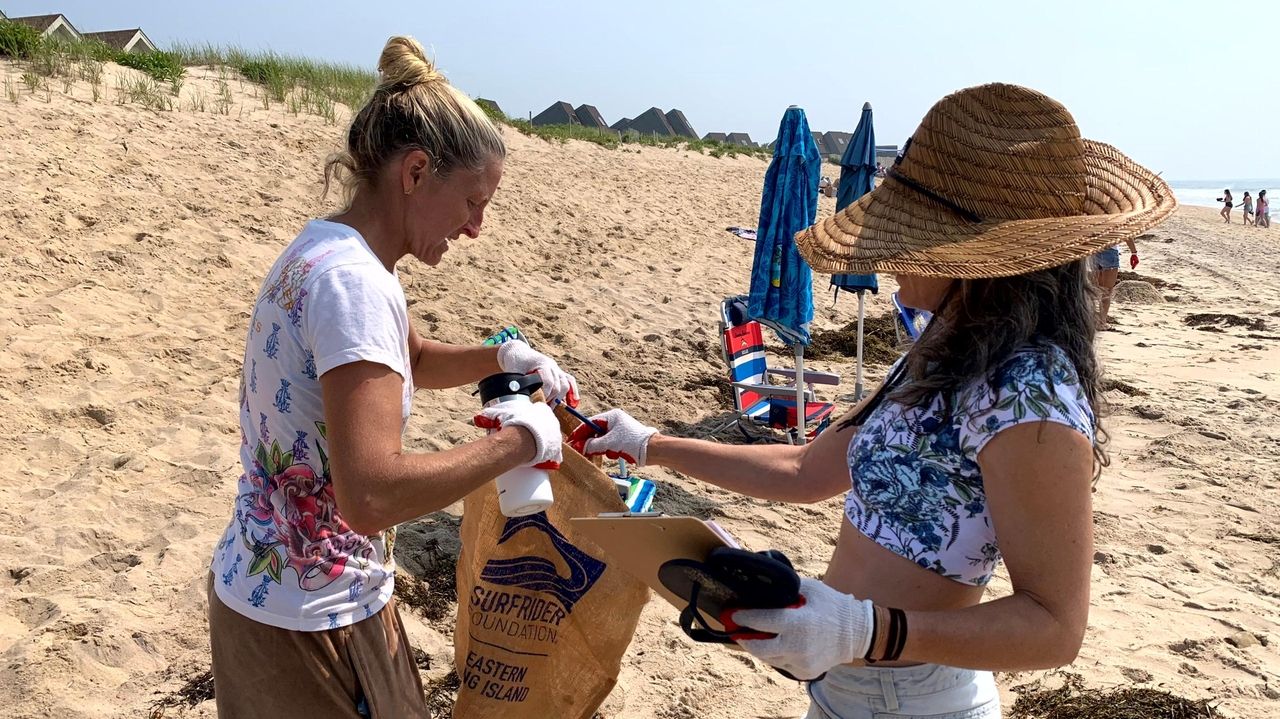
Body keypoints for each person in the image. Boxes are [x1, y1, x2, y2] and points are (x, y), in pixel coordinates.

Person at [570, 83, 1176, 719]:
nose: (887, 256)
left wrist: (867, 631)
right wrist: (651, 444)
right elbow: (808, 472)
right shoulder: (944, 344)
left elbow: (1055, 626)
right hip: (844, 686)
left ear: (972, 256)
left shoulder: (1030, 397)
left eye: (909, 236)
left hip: (914, 699)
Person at [206, 36, 577, 718]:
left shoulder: (333, 249)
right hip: (313, 621)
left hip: (260, 589)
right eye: (471, 201)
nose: (476, 228)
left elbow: (412, 359)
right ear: (414, 172)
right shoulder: (355, 286)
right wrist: (522, 444)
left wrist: (504, 358)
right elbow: (371, 496)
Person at [1092, 237, 1140, 329]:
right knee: (1107, 290)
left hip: (1095, 250)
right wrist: (1134, 253)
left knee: (1096, 288)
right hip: (1110, 251)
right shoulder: (1116, 222)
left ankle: (1091, 318)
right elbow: (1127, 235)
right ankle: (1101, 322)